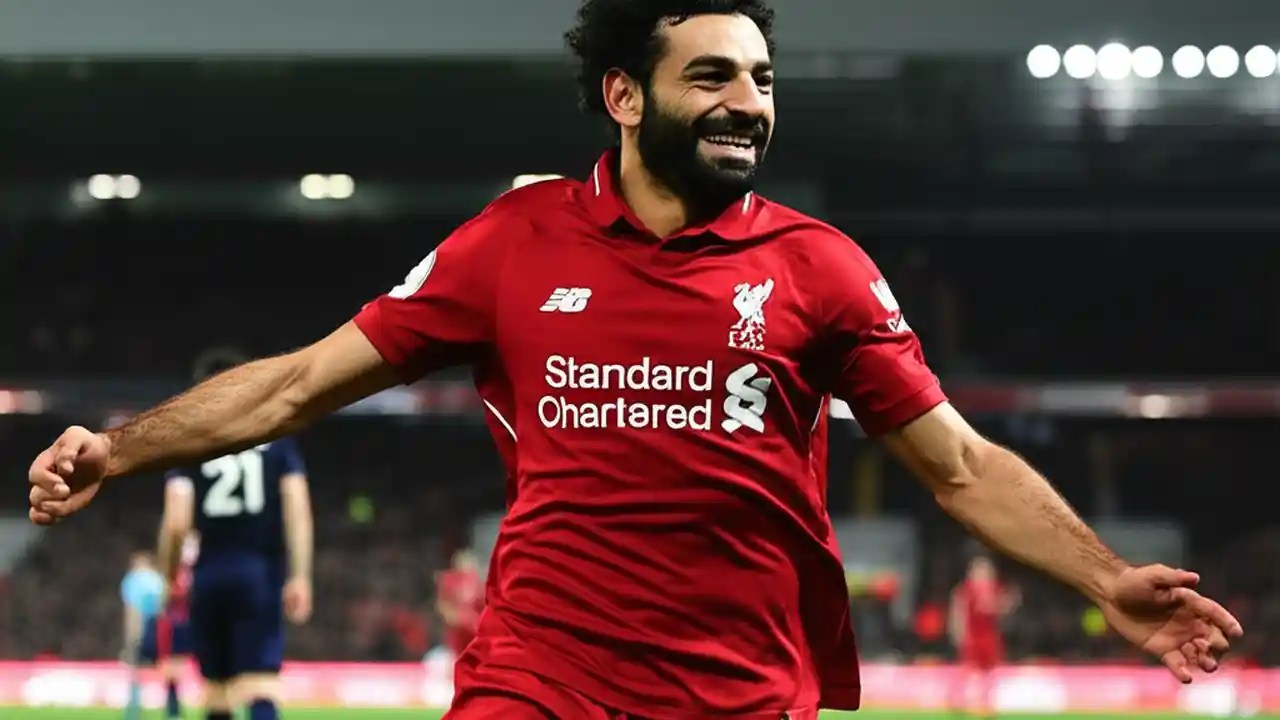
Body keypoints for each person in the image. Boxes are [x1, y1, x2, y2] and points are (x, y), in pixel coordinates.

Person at [28, 1, 1241, 718]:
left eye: (762, 79)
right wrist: (121, 450)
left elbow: (960, 467)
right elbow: (296, 382)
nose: (746, 102)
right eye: (709, 75)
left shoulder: (818, 268)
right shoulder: (510, 242)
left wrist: (1100, 581)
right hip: (537, 671)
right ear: (623, 93)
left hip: (738, 686)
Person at [150, 355, 315, 720]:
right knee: (260, 683)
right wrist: (300, 575)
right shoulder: (275, 437)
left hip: (209, 573)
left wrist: (168, 577)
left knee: (216, 691)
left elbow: (177, 522)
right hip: (260, 571)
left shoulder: (190, 444)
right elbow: (297, 509)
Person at [949, 555, 1019, 718]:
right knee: (970, 671)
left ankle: (986, 703)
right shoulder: (966, 589)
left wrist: (1009, 603)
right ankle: (961, 701)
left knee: (990, 673)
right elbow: (960, 611)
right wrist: (958, 631)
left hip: (990, 637)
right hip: (973, 637)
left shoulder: (994, 587)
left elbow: (1000, 609)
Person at [151, 529, 199, 720]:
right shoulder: (171, 576)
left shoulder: (195, 573)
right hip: (175, 625)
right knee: (171, 669)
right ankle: (173, 709)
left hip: (190, 622)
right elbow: (165, 601)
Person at [119, 550, 165, 720]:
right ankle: (171, 711)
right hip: (160, 629)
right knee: (167, 670)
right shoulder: (158, 579)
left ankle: (133, 712)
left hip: (138, 629)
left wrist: (131, 633)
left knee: (134, 671)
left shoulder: (132, 580)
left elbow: (130, 608)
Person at [435, 549, 485, 662]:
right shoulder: (449, 581)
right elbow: (443, 604)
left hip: (475, 629)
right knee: (458, 657)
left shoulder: (480, 585)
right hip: (457, 627)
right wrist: (452, 617)